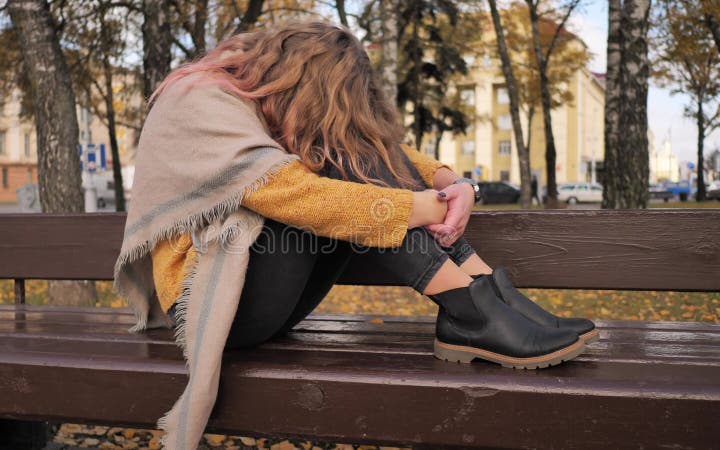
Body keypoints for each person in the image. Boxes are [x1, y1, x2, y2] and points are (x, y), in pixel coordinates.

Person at [114, 21, 597, 450]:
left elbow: (370, 148)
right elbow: (291, 195)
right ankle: (472, 307)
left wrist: (451, 182)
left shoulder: (258, 93)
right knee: (340, 171)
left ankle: (485, 295)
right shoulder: (197, 100)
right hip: (211, 304)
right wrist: (416, 206)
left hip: (263, 293)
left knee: (349, 149)